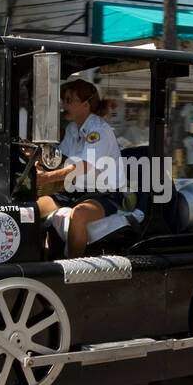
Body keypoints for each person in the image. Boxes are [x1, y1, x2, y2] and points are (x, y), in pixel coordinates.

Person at [36, 78, 122, 257]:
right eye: (63, 100)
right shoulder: (72, 129)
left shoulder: (99, 131)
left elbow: (83, 167)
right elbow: (59, 160)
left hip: (105, 195)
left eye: (69, 101)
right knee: (33, 210)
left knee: (79, 216)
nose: (64, 105)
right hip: (75, 193)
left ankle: (71, 273)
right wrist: (35, 156)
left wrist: (47, 178)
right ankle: (39, 264)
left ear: (86, 104)